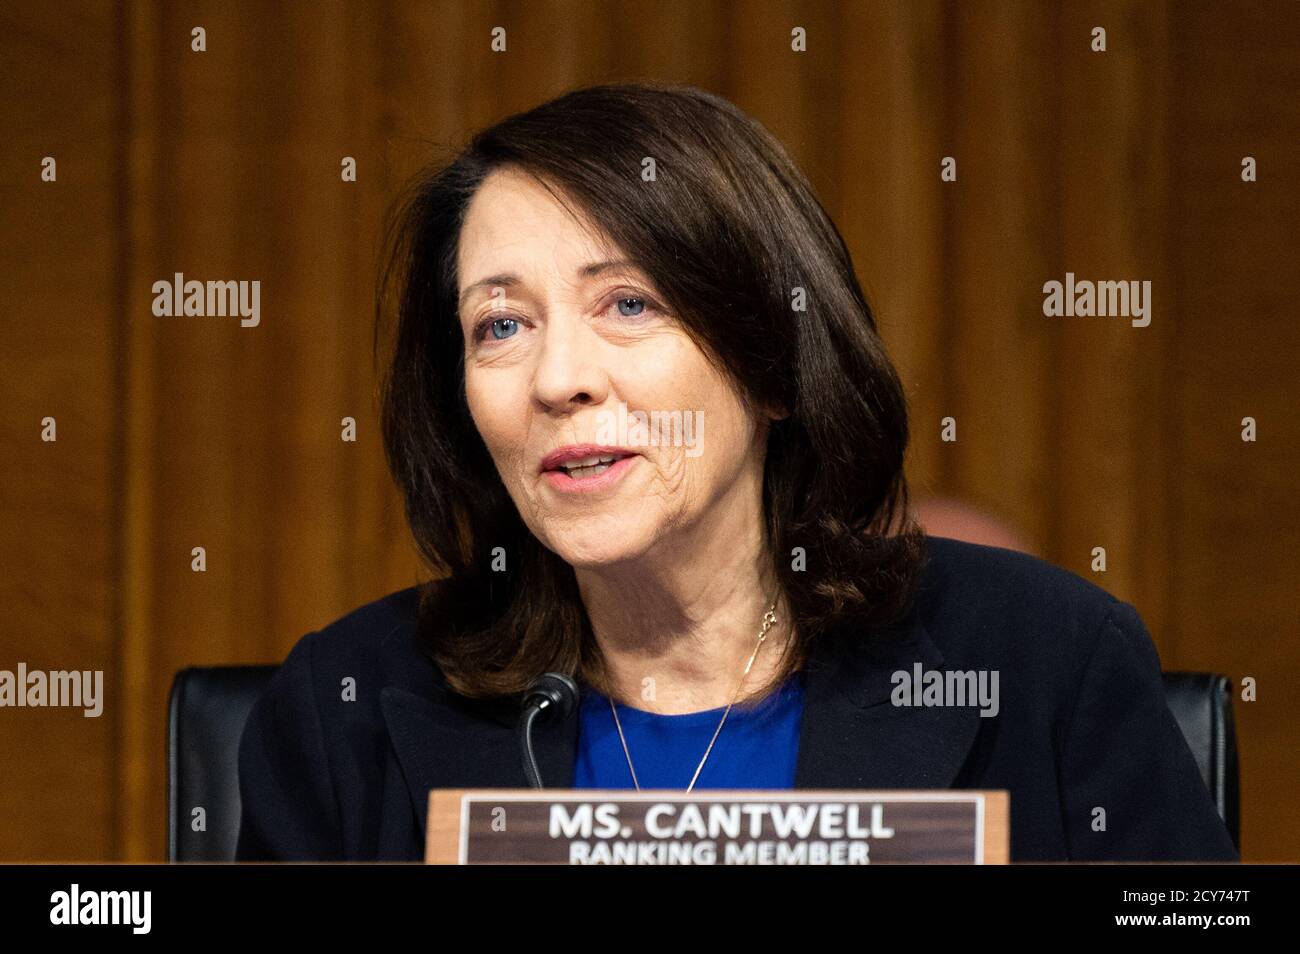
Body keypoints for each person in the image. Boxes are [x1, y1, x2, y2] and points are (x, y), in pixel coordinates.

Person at [235, 81, 1238, 863]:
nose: (558, 379)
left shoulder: (1046, 664)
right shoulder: (345, 706)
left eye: (628, 304)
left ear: (773, 367)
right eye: (500, 325)